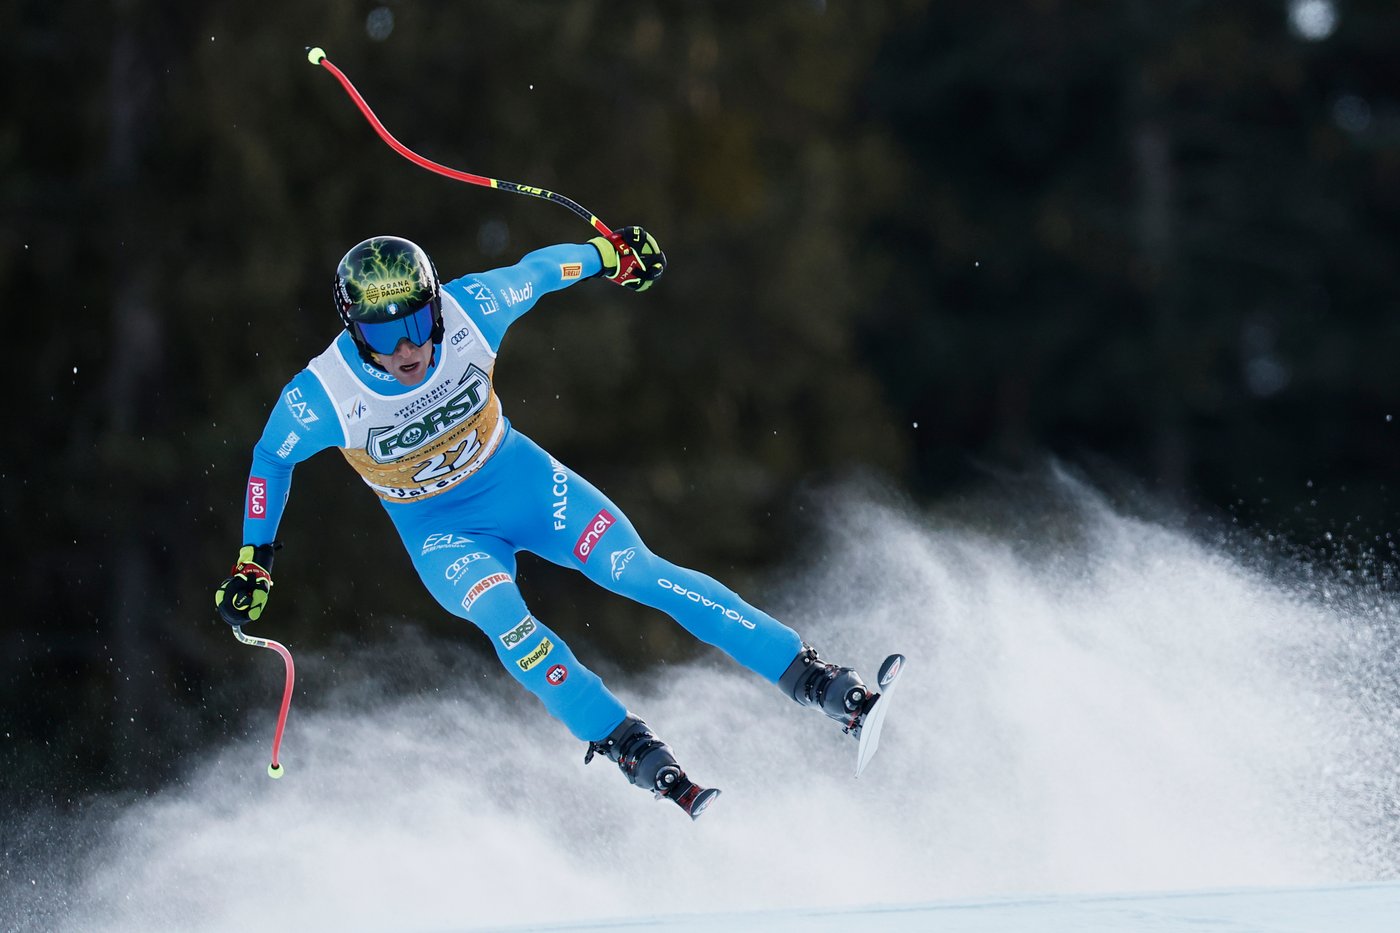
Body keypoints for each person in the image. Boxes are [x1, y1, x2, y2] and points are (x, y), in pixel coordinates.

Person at [214, 228, 883, 818]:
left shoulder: (471, 310)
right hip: (443, 533)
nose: (410, 347)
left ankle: (820, 683)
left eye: (419, 323)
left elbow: (540, 271)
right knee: (510, 620)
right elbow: (271, 456)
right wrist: (255, 558)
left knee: (636, 570)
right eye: (387, 335)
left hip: (523, 483)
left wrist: (609, 256)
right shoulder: (325, 392)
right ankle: (628, 745)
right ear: (356, 329)